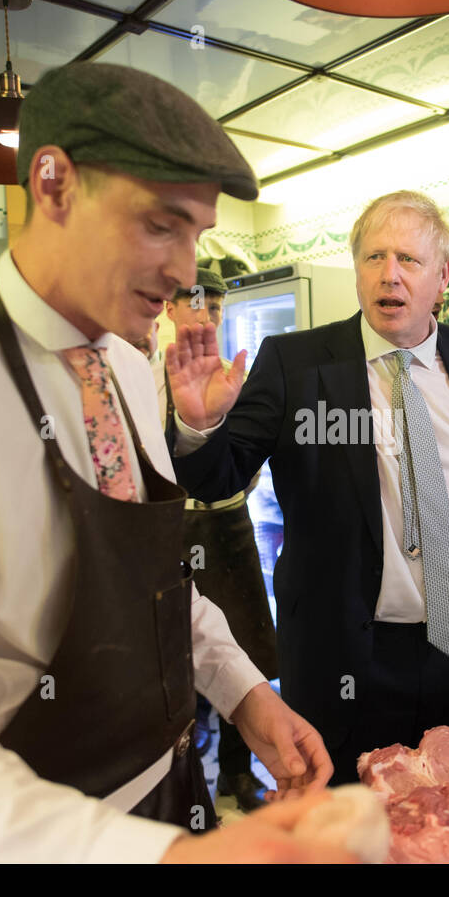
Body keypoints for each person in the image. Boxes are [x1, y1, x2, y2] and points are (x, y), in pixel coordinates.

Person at [0, 61, 348, 863]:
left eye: (196, 234)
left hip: (177, 795)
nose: (186, 271)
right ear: (54, 183)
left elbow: (156, 582)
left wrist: (244, 696)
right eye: (161, 224)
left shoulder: (131, 371)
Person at [166, 190, 449, 784]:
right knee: (340, 813)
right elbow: (218, 477)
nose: (389, 275)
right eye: (374, 258)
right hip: (342, 650)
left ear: (441, 278)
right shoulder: (295, 362)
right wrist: (200, 425)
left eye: (409, 261)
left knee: (443, 806)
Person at [150, 266, 280, 812]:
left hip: (230, 525)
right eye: (197, 304)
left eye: (217, 308)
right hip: (178, 528)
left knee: (245, 645)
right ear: (170, 309)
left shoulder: (233, 376)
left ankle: (236, 773)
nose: (207, 316)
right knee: (179, 650)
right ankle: (186, 764)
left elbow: (247, 463)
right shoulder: (151, 375)